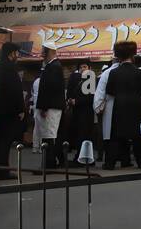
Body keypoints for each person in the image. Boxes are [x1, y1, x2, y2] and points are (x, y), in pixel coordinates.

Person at [95, 41, 141, 169]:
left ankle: (110, 163)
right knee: (137, 136)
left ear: (118, 56)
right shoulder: (139, 73)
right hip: (135, 106)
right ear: (133, 55)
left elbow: (109, 90)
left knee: (115, 136)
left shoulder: (113, 73)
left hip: (118, 106)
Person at [0, 43, 25, 174]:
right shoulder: (10, 70)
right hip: (9, 113)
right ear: (11, 54)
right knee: (5, 142)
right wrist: (21, 109)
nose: (18, 56)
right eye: (17, 53)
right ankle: (1, 171)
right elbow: (16, 91)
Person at [36, 41, 67, 169]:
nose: (42, 54)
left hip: (51, 108)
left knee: (49, 135)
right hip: (50, 107)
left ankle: (49, 163)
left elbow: (50, 89)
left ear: (51, 52)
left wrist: (44, 107)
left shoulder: (54, 67)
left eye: (44, 51)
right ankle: (51, 161)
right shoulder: (52, 66)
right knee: (48, 135)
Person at [65, 58, 97, 166]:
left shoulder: (91, 79)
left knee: (84, 135)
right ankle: (82, 157)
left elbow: (90, 98)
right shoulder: (77, 79)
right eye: (81, 67)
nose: (82, 69)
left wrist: (76, 101)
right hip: (78, 112)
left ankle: (83, 158)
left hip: (86, 112)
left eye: (85, 67)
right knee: (79, 134)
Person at [30, 71, 42, 153]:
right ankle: (41, 147)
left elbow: (33, 93)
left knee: (36, 127)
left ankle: (35, 147)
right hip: (42, 106)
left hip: (35, 105)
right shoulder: (44, 81)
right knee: (43, 128)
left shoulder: (36, 81)